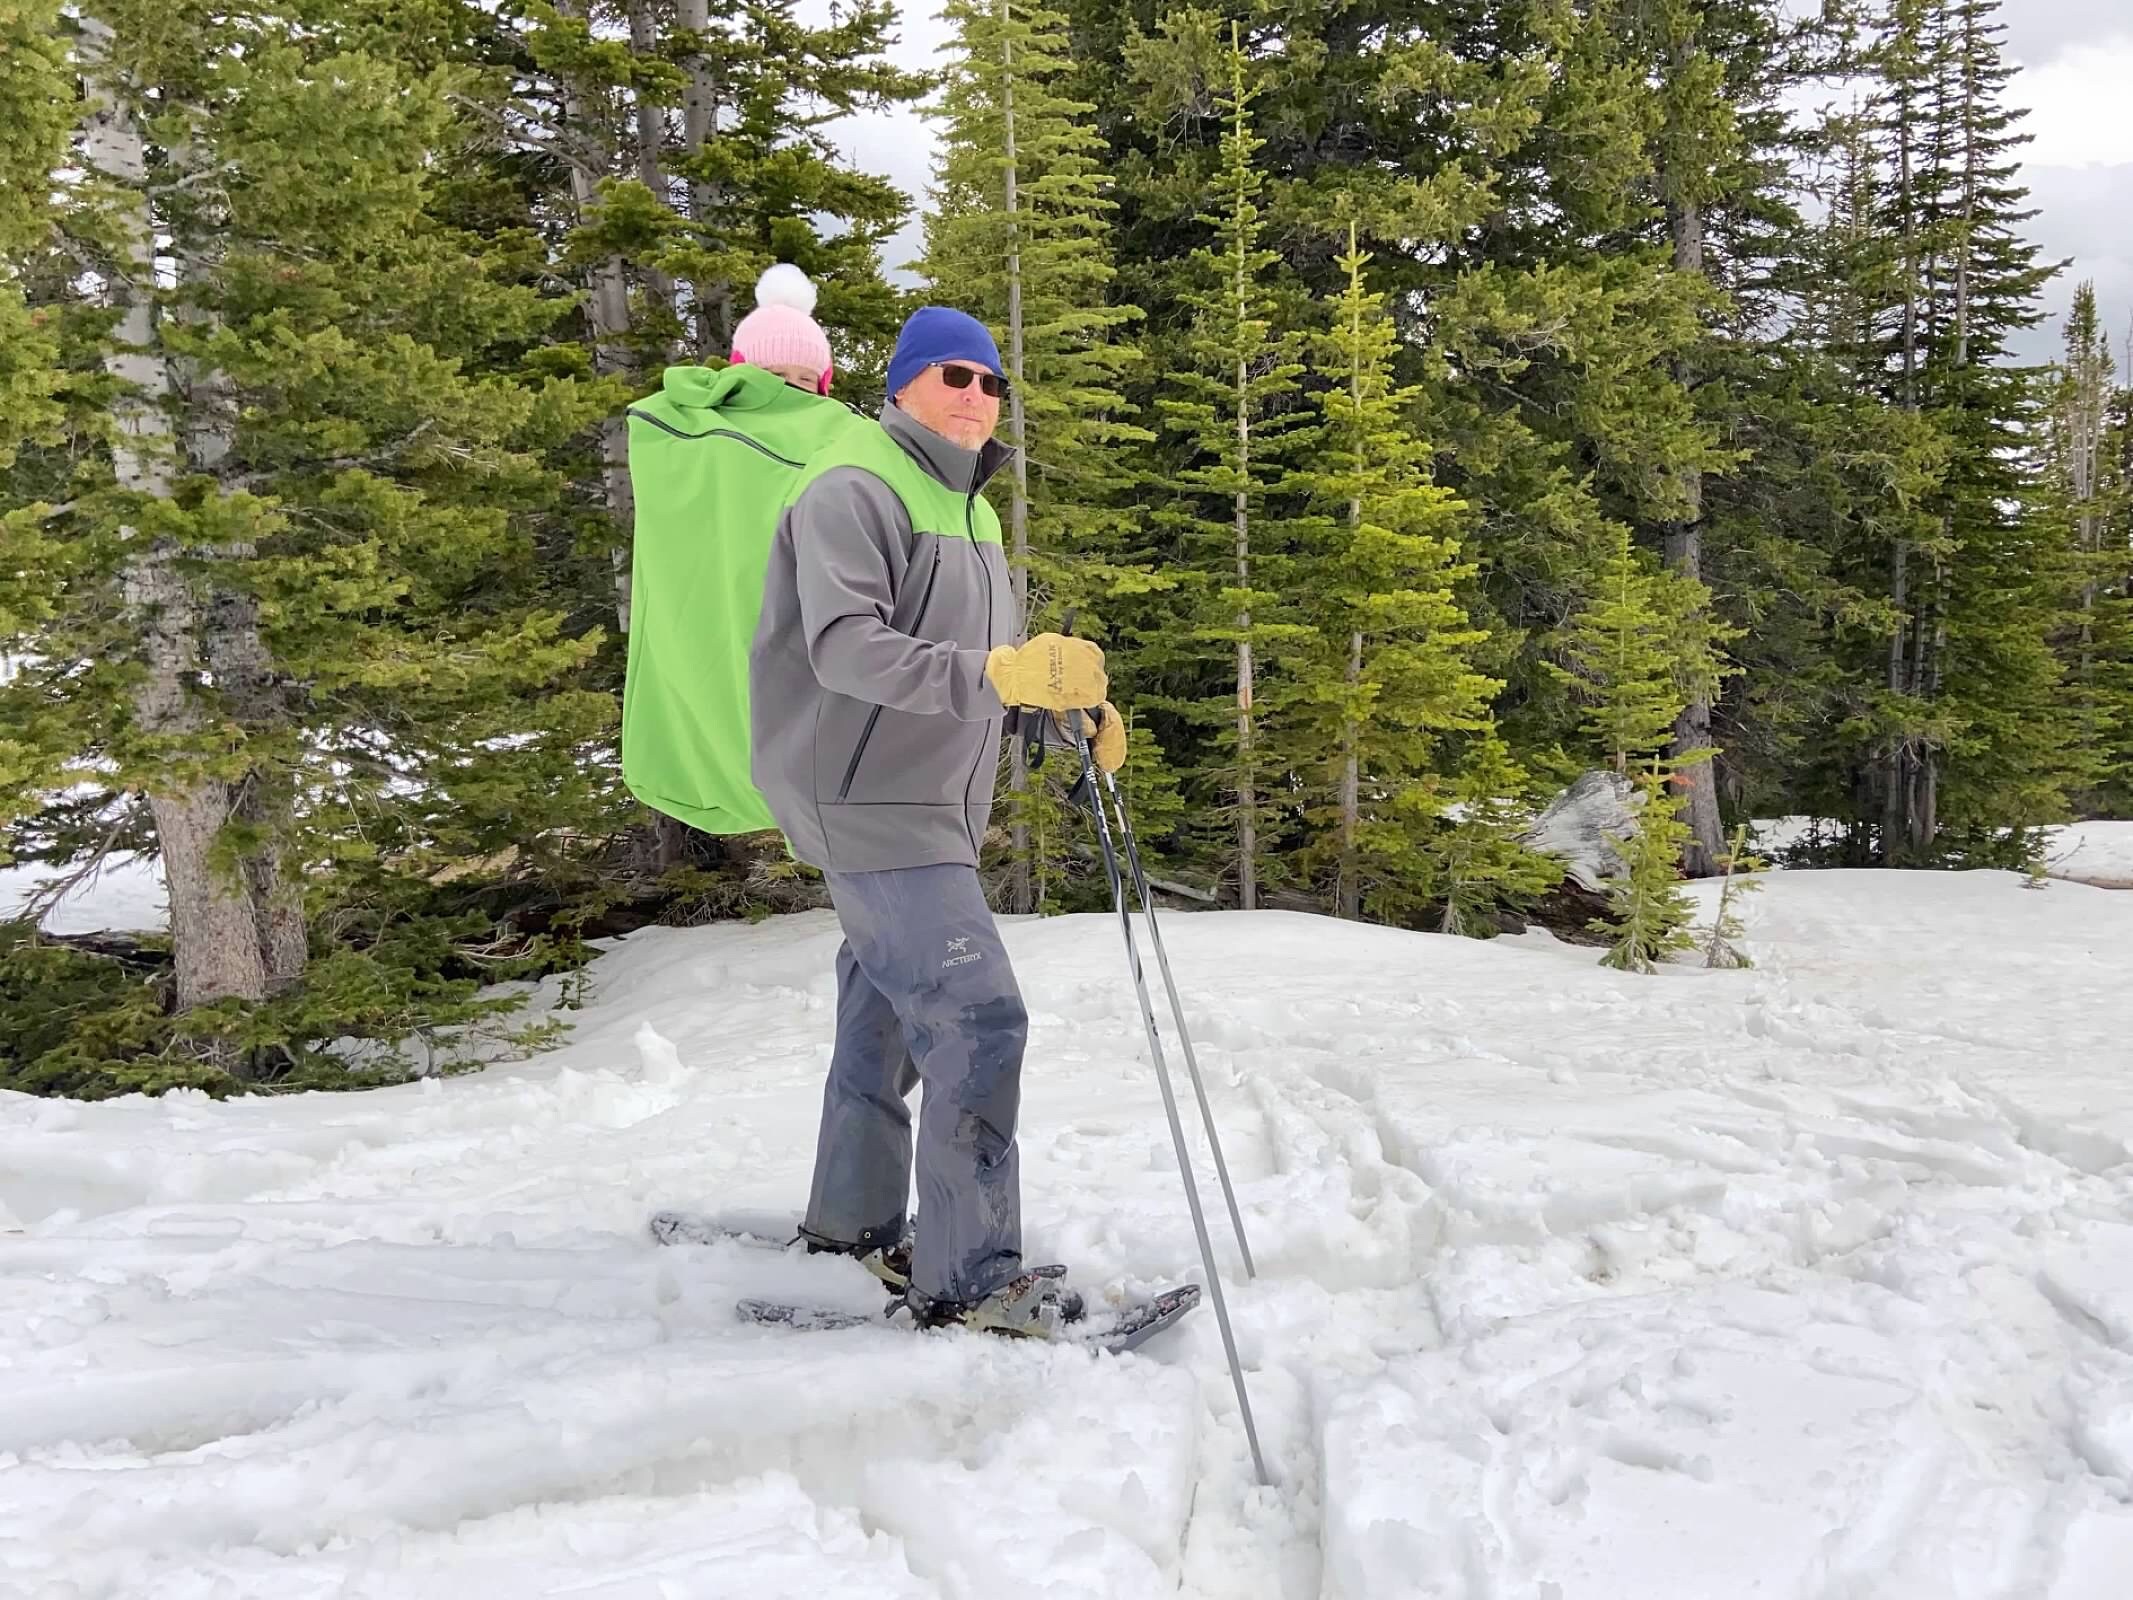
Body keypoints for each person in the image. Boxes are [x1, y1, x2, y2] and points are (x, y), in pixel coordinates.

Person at [748, 306, 1129, 1337]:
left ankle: (852, 1224)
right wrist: (1000, 673)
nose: (977, 396)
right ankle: (971, 1279)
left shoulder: (974, 511)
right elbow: (848, 650)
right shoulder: (853, 486)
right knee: (978, 1017)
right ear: (904, 382)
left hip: (930, 805)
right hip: (869, 800)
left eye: (993, 382)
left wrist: (1068, 710)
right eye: (955, 375)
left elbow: (982, 675)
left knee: (884, 1012)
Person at [621, 266, 855, 835]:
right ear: (740, 377)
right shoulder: (692, 439)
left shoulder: (838, 440)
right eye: (773, 375)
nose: (790, 391)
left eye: (805, 380)